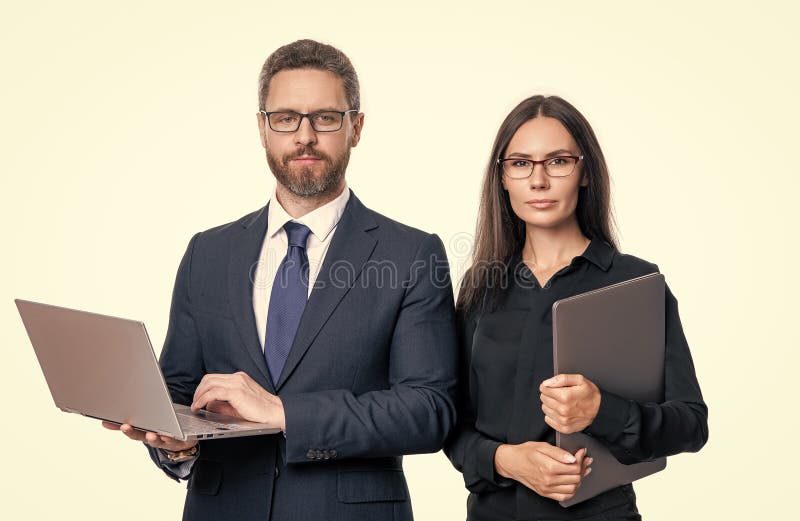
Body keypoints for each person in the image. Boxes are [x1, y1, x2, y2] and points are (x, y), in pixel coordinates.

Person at [102, 39, 458, 521]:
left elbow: (428, 410)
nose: (304, 136)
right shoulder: (207, 252)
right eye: (286, 118)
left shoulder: (411, 253)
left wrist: (286, 414)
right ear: (262, 128)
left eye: (325, 117)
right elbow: (179, 391)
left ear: (356, 127)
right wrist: (174, 443)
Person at [443, 95, 708, 520]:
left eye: (558, 161)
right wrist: (505, 460)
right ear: (503, 178)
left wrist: (601, 410)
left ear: (585, 173)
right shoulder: (481, 285)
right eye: (520, 163)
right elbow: (451, 422)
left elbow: (691, 424)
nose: (539, 180)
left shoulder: (634, 284)